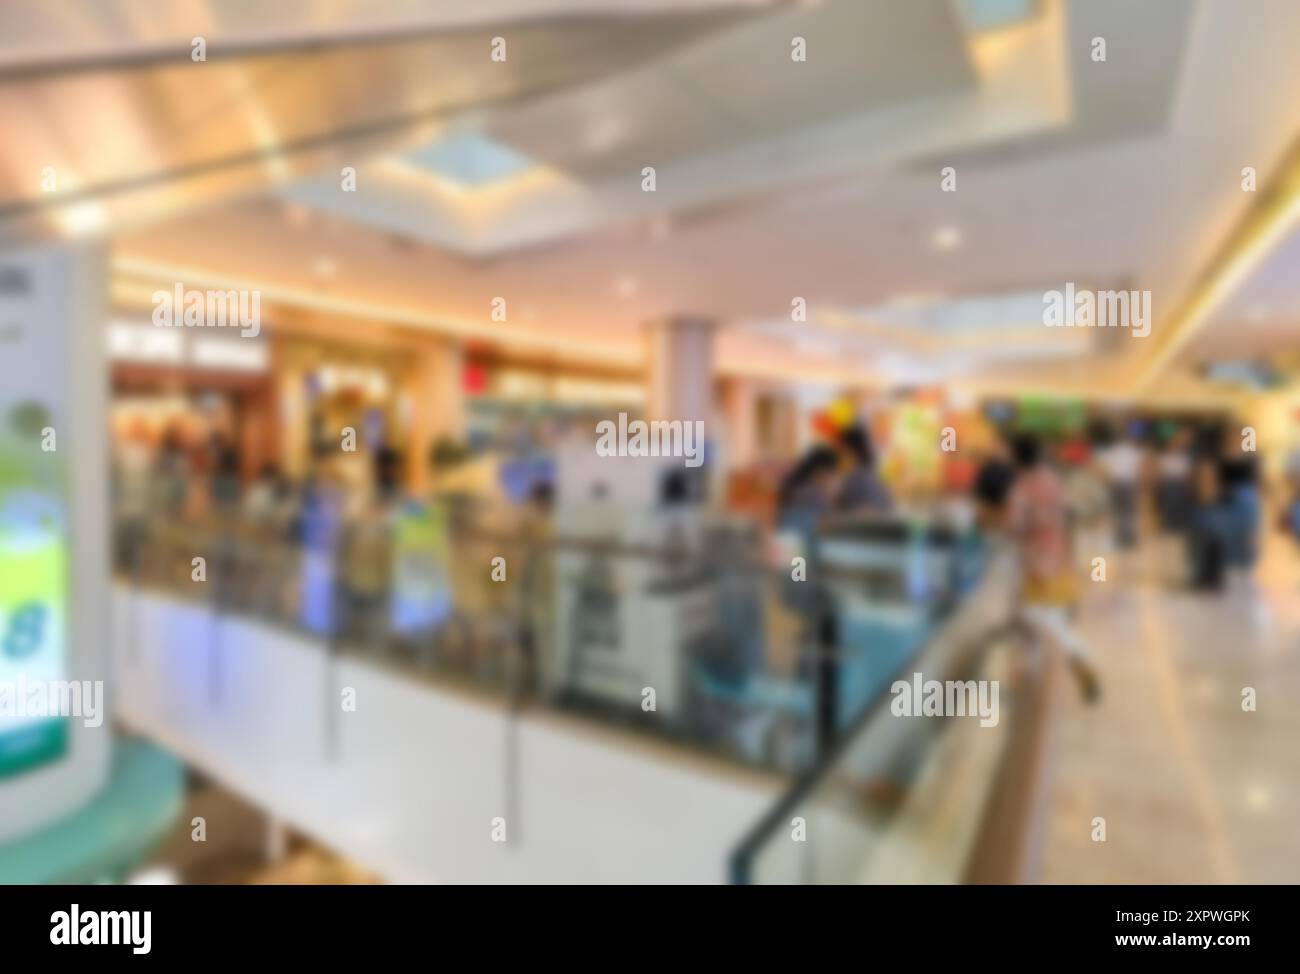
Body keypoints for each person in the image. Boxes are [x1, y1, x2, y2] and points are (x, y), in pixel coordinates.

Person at [1007, 433, 1100, 702]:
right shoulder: (1055, 481)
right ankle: (1030, 676)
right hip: (1061, 558)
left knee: (1036, 618)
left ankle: (1075, 658)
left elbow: (1017, 525)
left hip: (1036, 564)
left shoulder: (1022, 488)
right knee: (1049, 618)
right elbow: (1069, 514)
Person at [1098, 426, 1143, 548]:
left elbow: (1105, 469)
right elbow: (1138, 469)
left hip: (1118, 483)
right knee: (1128, 512)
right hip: (1127, 484)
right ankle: (1128, 537)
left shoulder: (1113, 451)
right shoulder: (1132, 451)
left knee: (1119, 512)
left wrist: (1107, 482)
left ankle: (1122, 537)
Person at [834, 426, 891, 513]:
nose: (837, 456)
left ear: (850, 450)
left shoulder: (858, 477)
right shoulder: (869, 473)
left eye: (840, 450)